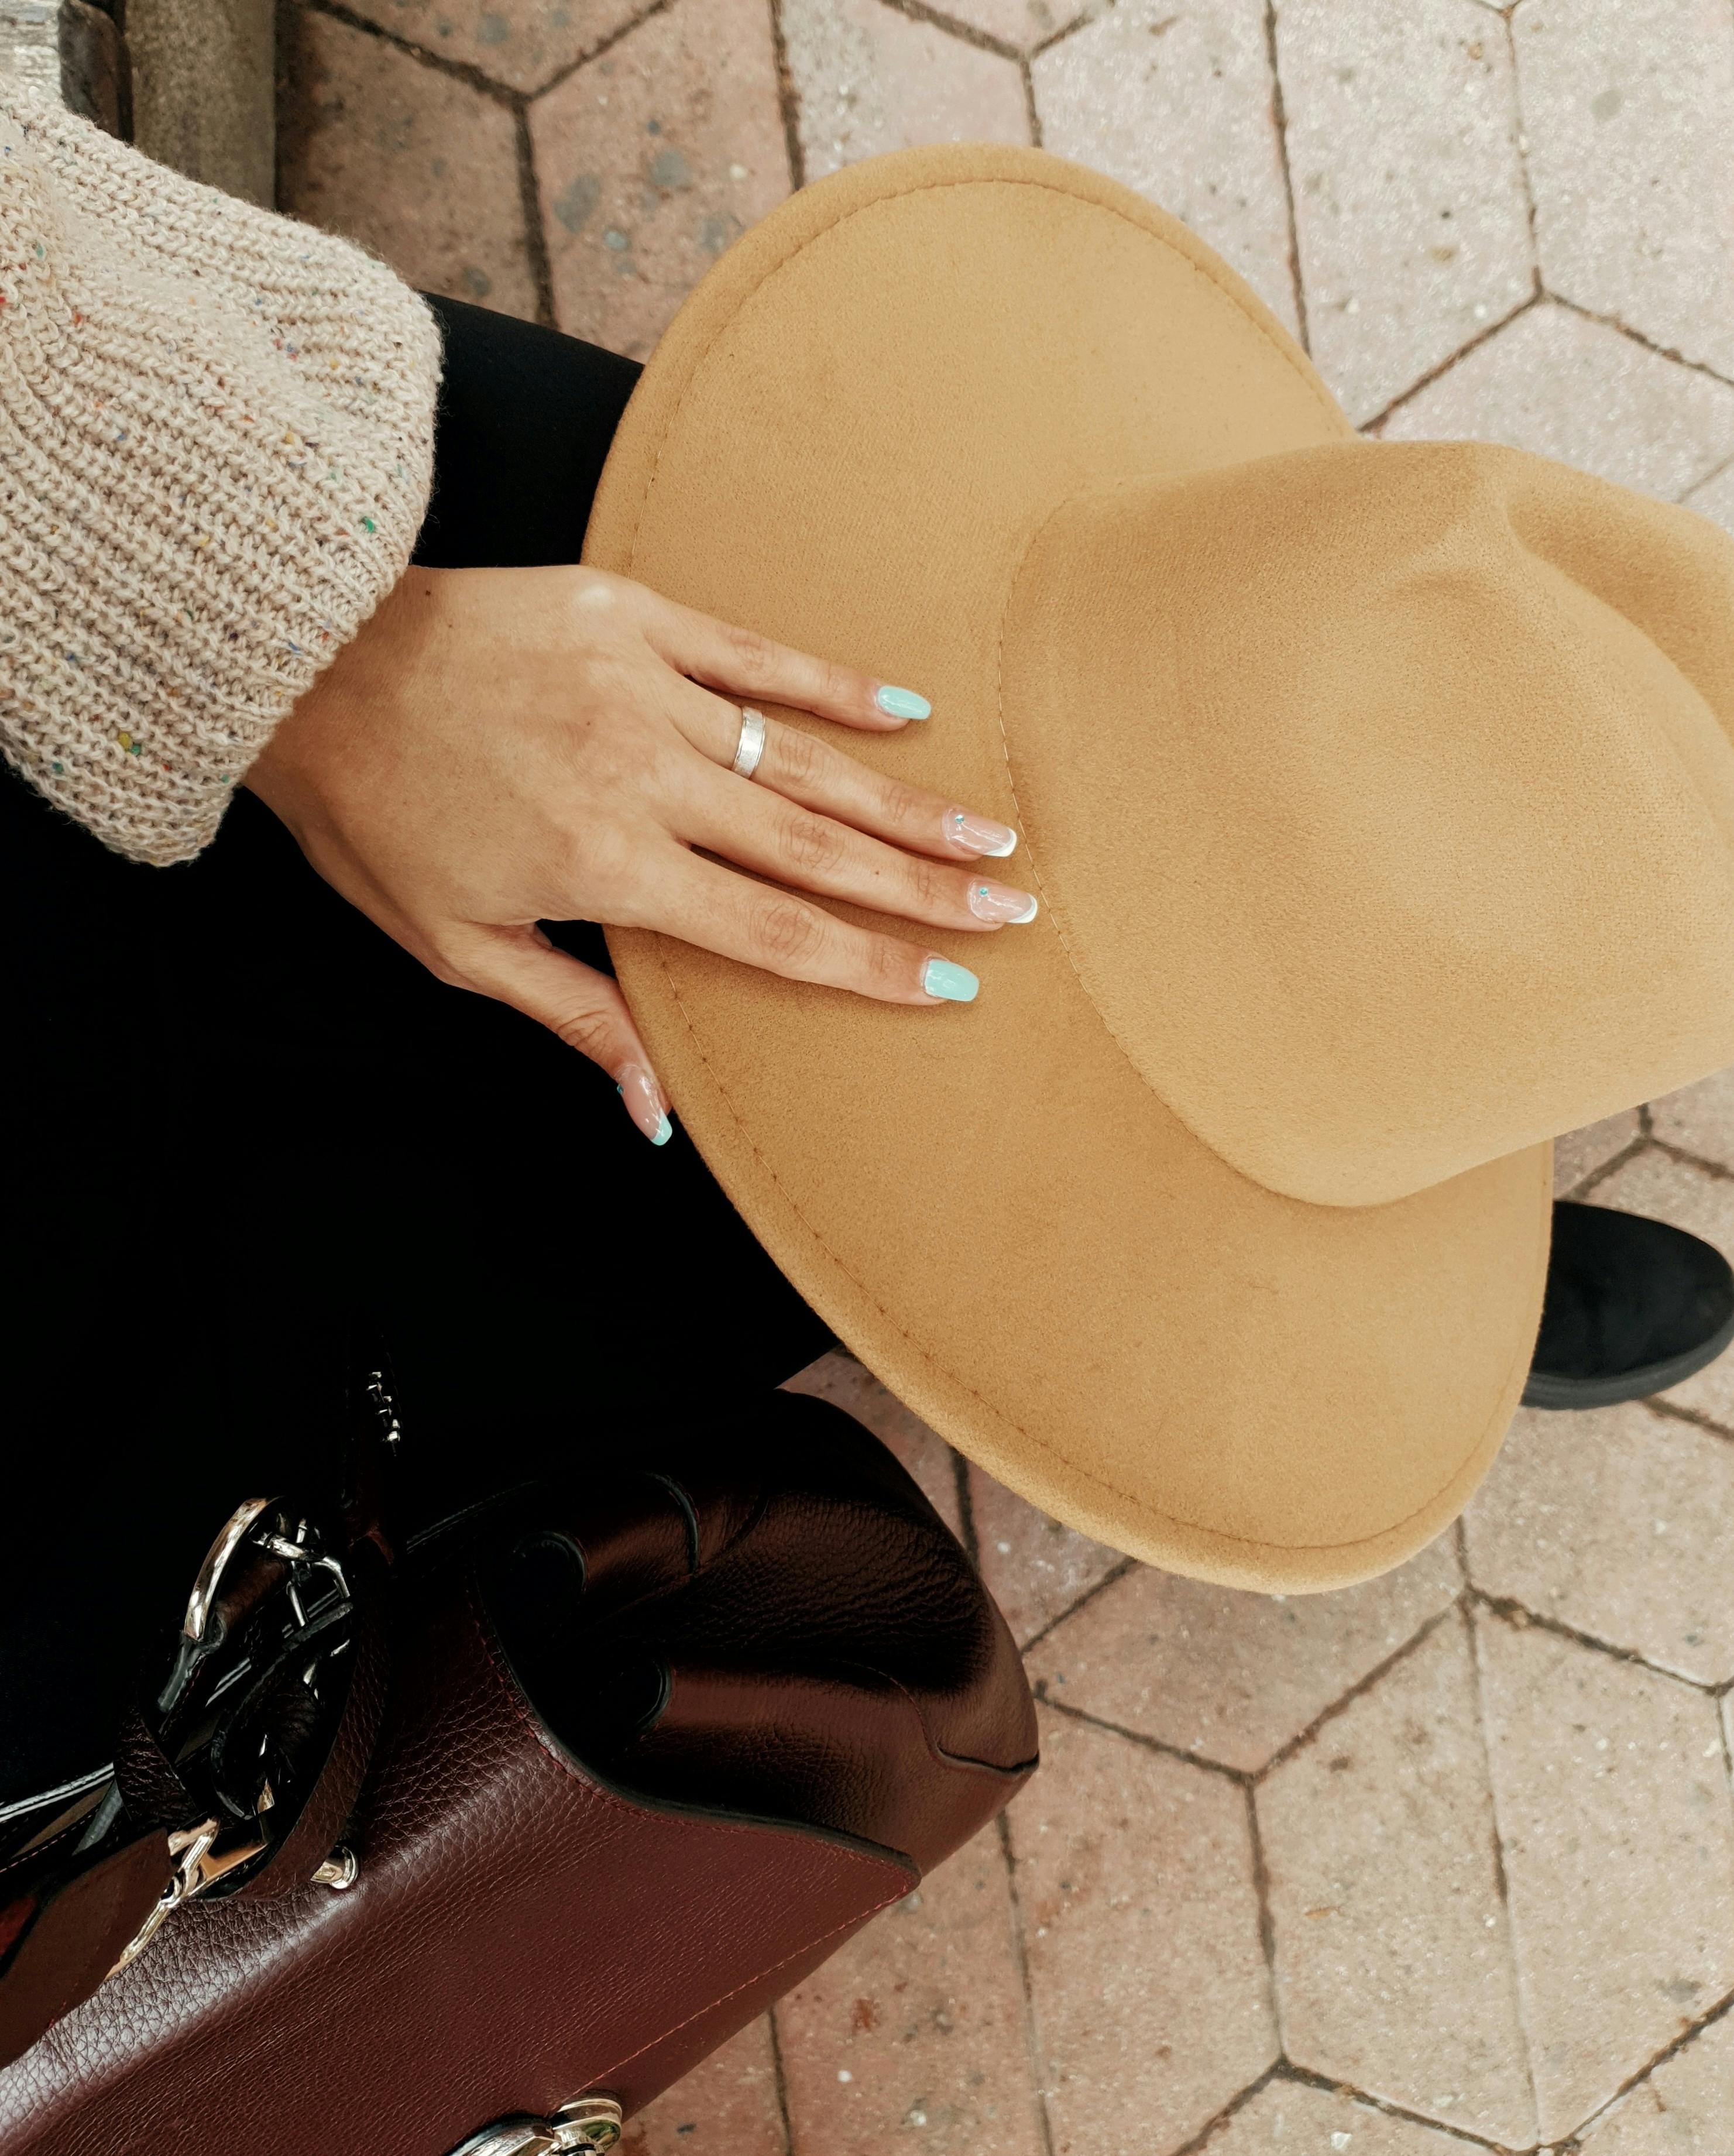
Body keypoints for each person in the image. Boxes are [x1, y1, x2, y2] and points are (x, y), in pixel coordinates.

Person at [1, 90, 1726, 1808]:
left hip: (166, 541)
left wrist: (302, 629)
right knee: (571, 1268)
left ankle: (1322, 1124)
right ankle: (1279, 1154)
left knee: (728, 795)